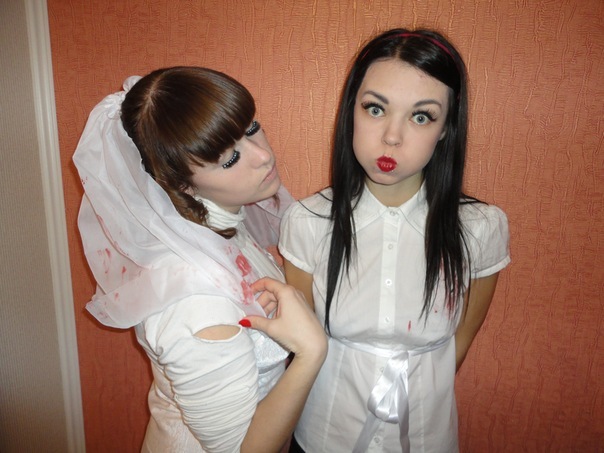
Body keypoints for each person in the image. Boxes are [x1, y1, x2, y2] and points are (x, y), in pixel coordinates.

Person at [73, 66, 327, 453]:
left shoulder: (220, 231)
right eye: (230, 158)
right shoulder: (195, 302)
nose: (262, 155)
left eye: (252, 127)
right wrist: (310, 352)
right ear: (181, 185)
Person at [279, 29, 511, 452]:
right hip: (323, 434)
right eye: (375, 109)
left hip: (425, 436)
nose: (391, 136)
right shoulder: (308, 221)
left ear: (446, 129)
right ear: (351, 110)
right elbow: (302, 342)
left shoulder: (480, 227)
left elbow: (460, 341)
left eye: (421, 117)